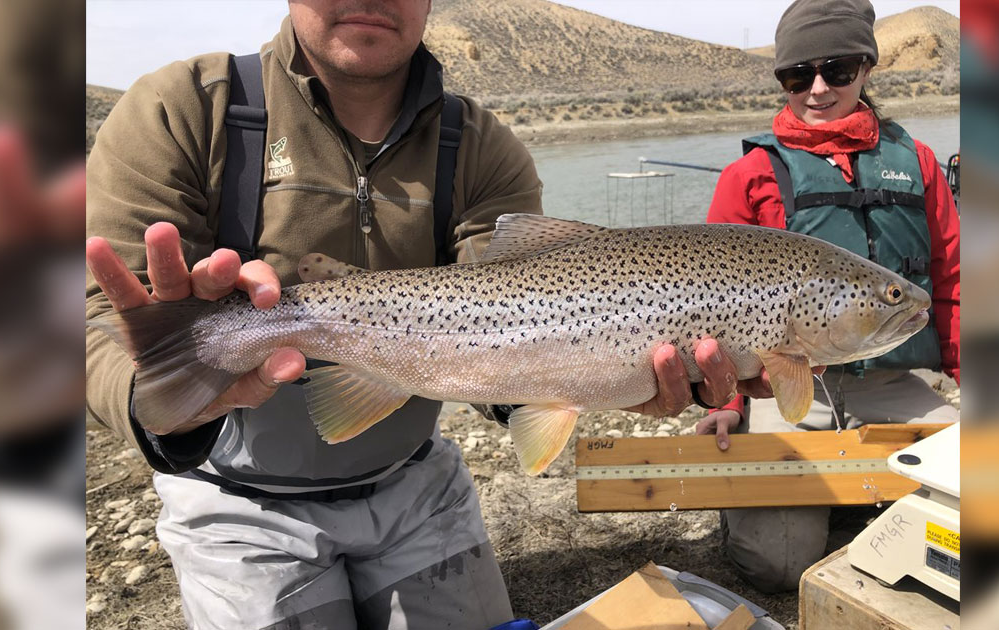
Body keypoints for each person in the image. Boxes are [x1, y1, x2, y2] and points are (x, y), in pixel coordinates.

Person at [85, 1, 744, 627]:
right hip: (233, 498)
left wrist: (604, 373)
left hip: (415, 481)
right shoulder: (185, 109)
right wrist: (164, 390)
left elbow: (514, 324)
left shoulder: (482, 144)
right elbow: (92, 319)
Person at [695, 0, 961, 594]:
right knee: (777, 569)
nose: (817, 89)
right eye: (797, 75)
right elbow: (705, 305)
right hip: (787, 381)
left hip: (892, 384)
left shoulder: (917, 162)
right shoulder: (750, 175)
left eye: (836, 70)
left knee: (984, 498)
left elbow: (954, 282)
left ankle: (851, 498)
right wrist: (727, 404)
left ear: (866, 68)